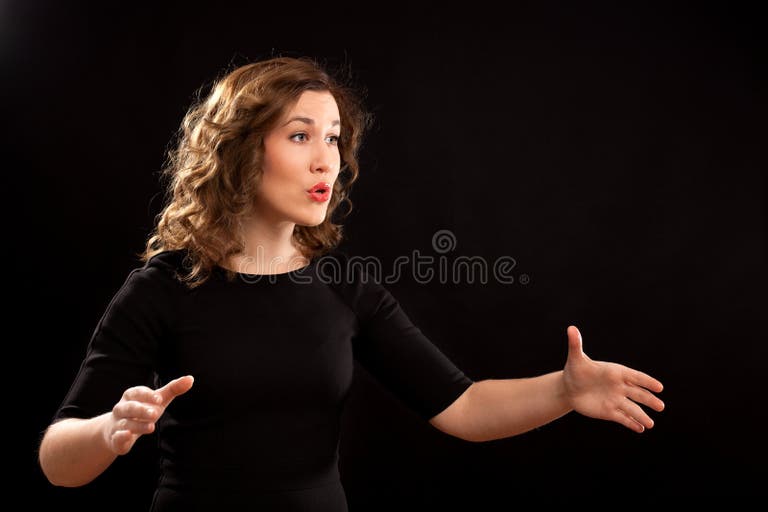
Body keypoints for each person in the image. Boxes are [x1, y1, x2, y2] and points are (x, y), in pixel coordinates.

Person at [37, 56, 665, 511]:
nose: (327, 160)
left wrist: (562, 390)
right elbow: (57, 460)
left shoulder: (346, 288)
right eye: (301, 135)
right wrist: (108, 431)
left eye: (334, 138)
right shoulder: (162, 288)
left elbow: (464, 408)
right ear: (239, 150)